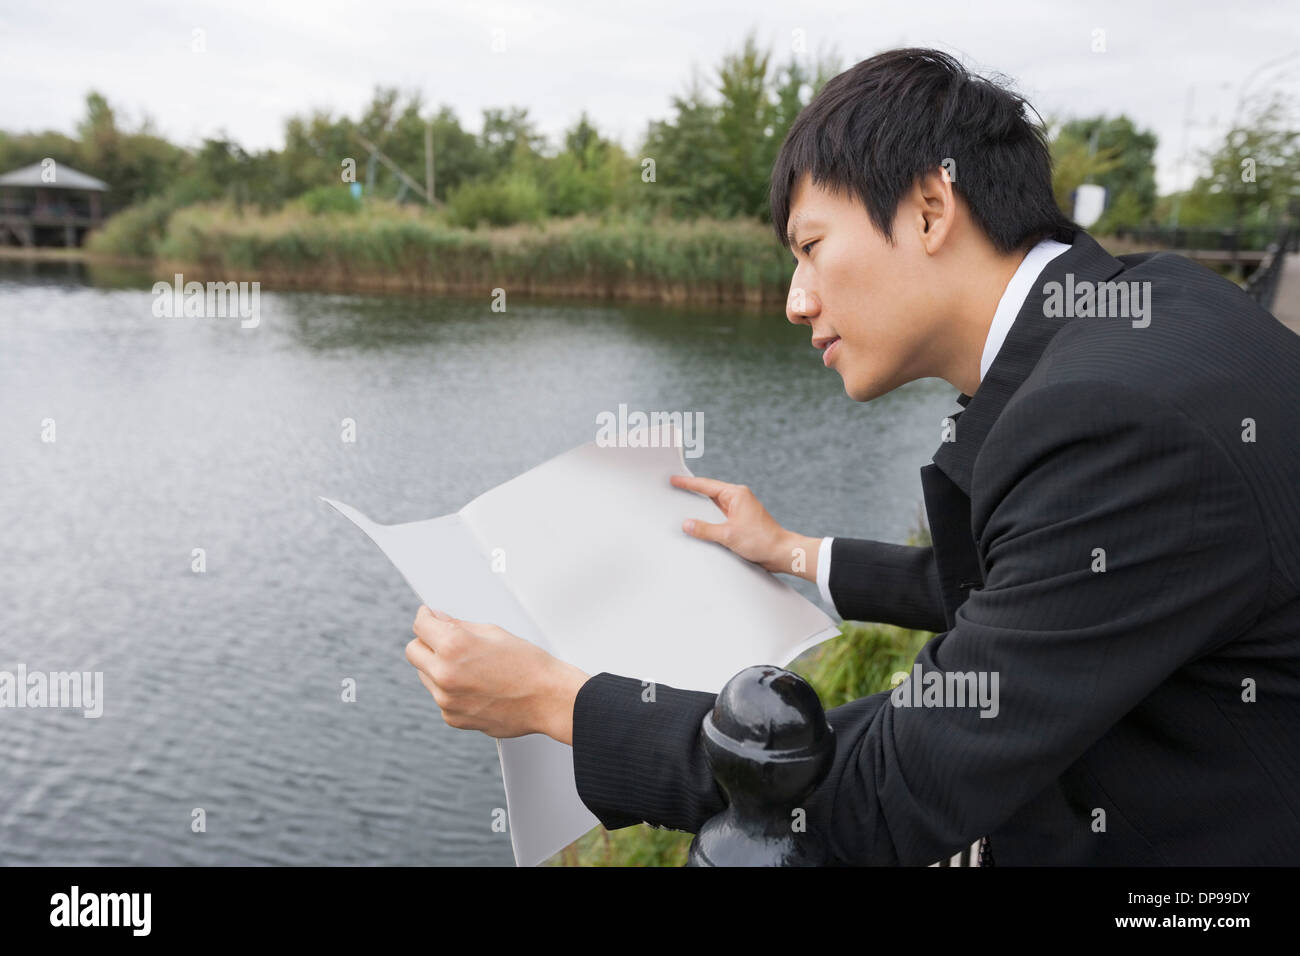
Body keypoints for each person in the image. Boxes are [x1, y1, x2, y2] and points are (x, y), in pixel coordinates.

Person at [404, 48, 1300, 865]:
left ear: (930, 208)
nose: (796, 300)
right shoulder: (1150, 308)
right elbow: (1041, 587)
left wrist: (557, 703)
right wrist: (793, 553)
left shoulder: (1109, 420)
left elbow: (883, 796)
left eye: (811, 247)